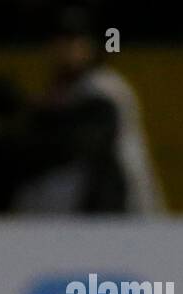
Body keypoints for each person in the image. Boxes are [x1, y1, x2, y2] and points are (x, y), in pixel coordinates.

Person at [10, 5, 164, 214]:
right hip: (74, 229)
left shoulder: (107, 87)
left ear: (91, 45)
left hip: (124, 223)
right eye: (59, 40)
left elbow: (83, 140)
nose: (66, 49)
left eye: (74, 40)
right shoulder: (59, 92)